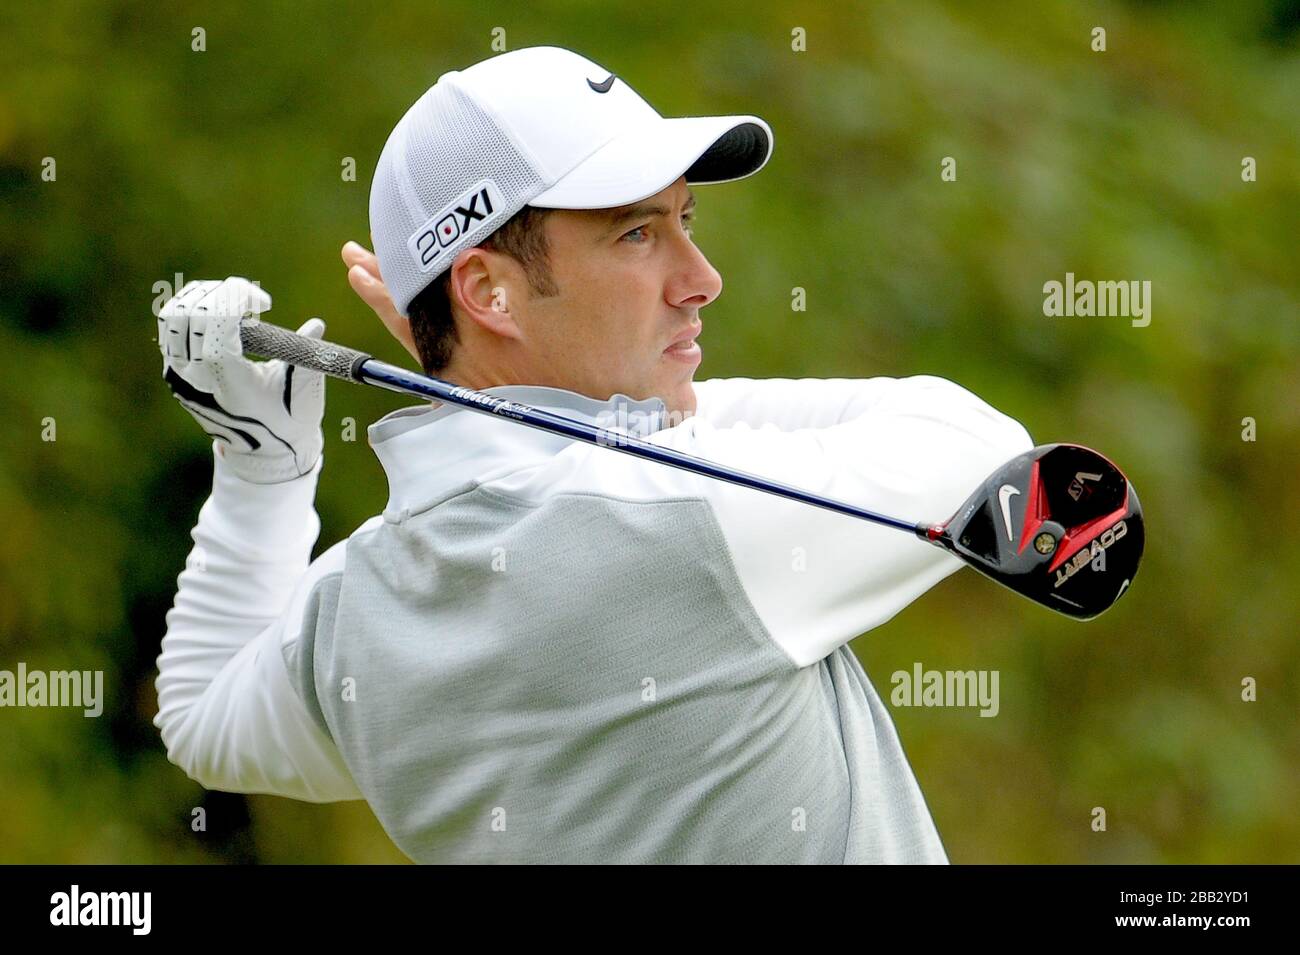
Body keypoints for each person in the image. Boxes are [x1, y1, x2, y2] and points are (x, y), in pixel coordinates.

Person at [153, 46, 1032, 864]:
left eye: (684, 220)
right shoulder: (690, 519)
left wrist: (262, 471)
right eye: (637, 234)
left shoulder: (351, 616)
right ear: (487, 289)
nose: (701, 276)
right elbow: (980, 445)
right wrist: (585, 411)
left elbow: (199, 714)